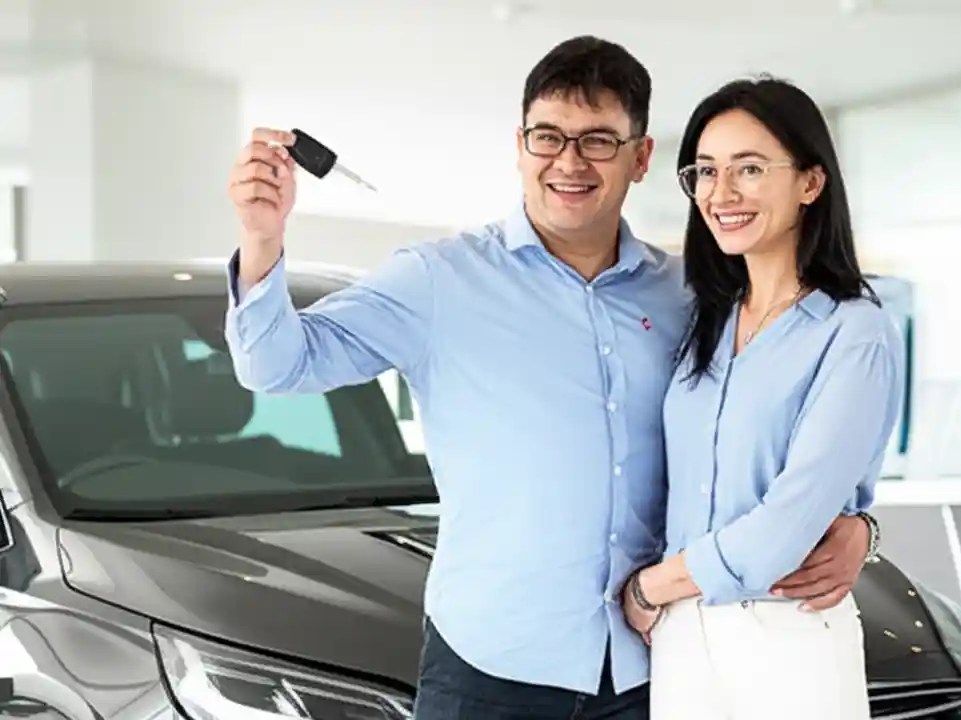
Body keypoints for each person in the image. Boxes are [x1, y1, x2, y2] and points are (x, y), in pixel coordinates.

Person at [224, 36, 878, 720]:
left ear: (641, 157)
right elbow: (278, 365)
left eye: (598, 140)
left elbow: (768, 438)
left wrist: (857, 521)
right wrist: (262, 239)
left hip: (651, 667)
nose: (569, 161)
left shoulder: (692, 295)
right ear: (519, 145)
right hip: (490, 668)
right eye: (548, 137)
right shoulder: (439, 279)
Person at [621, 77, 904, 720]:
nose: (722, 194)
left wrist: (649, 587)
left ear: (810, 182)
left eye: (749, 168)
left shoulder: (853, 331)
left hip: (784, 631)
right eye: (706, 171)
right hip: (682, 638)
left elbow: (790, 520)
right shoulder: (707, 321)